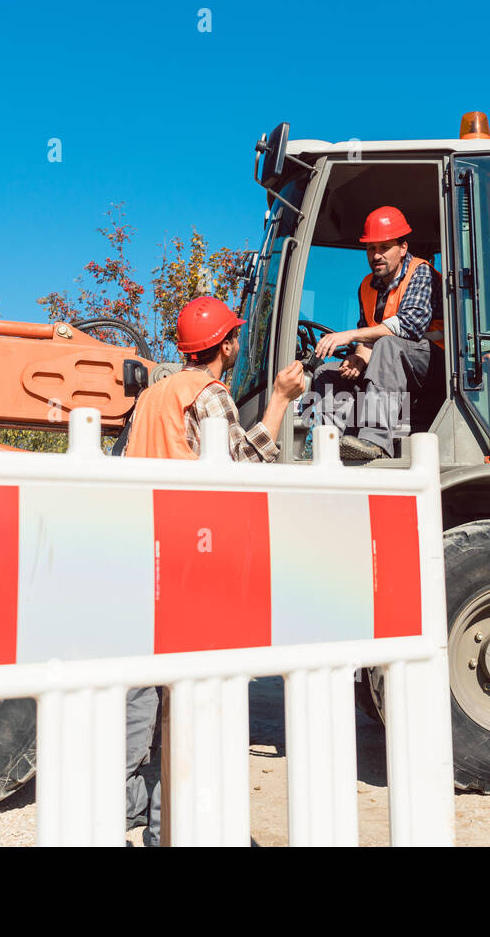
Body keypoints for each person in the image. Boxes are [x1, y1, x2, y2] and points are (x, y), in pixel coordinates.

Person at [121, 295, 306, 845]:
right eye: (234, 339)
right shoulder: (210, 395)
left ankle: (107, 811)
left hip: (145, 553)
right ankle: (168, 830)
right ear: (224, 345)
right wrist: (277, 401)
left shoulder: (153, 395)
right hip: (189, 559)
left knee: (141, 698)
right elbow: (237, 471)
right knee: (188, 707)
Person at [310, 206, 444, 460]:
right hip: (395, 362)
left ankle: (375, 441)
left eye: (384, 247)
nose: (376, 255)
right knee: (326, 372)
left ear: (403, 248)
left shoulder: (421, 272)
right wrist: (359, 357)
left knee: (389, 346)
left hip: (436, 367)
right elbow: (368, 332)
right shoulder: (367, 285)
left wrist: (348, 336)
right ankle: (335, 446)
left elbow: (409, 326)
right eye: (371, 248)